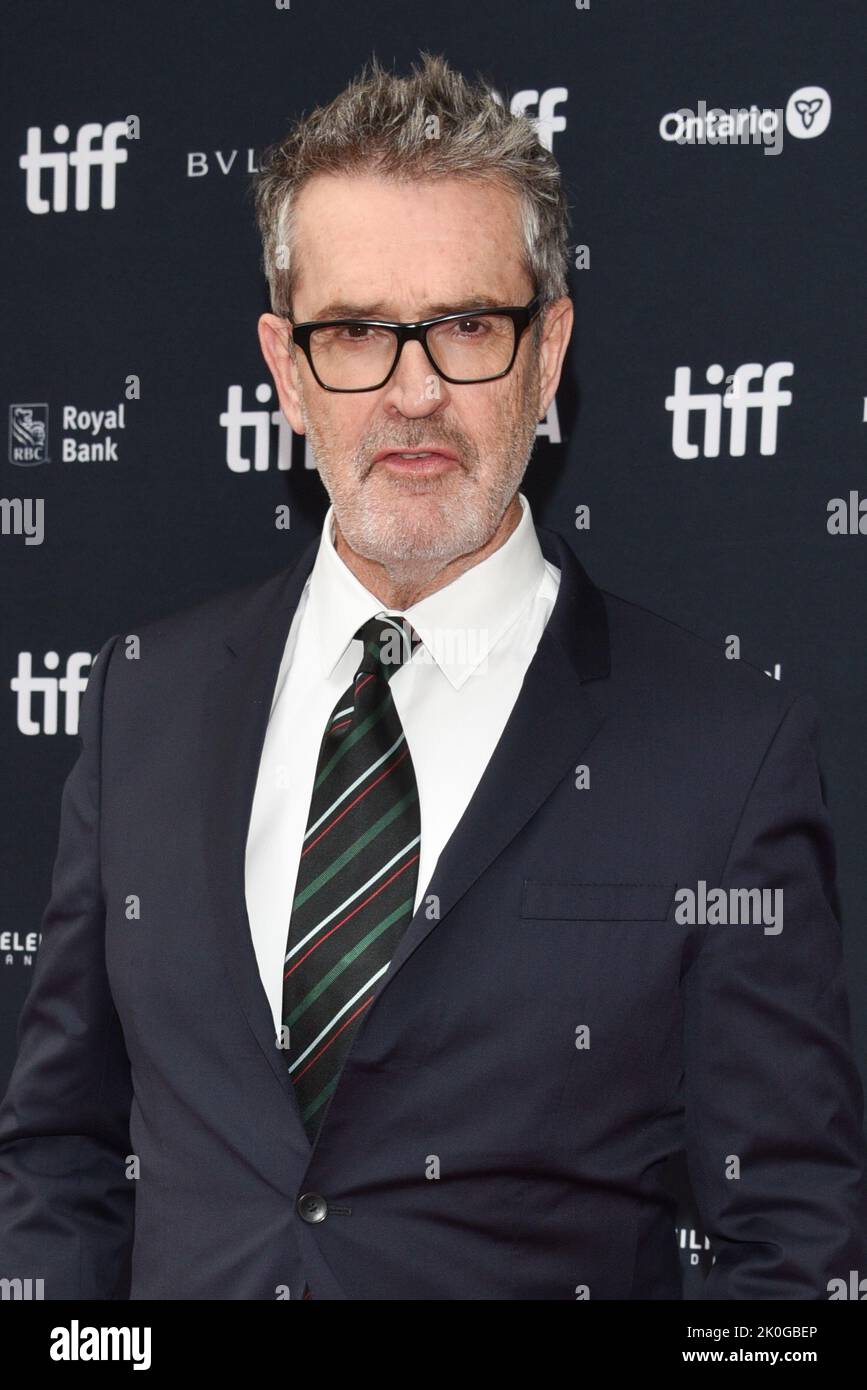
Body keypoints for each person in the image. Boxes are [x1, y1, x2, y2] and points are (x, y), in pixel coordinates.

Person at [1, 51, 865, 1301]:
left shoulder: (724, 750)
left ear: (549, 347)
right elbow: (59, 1154)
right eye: (355, 330)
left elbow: (790, 1243)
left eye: (466, 326)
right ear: (286, 369)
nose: (413, 391)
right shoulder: (147, 699)